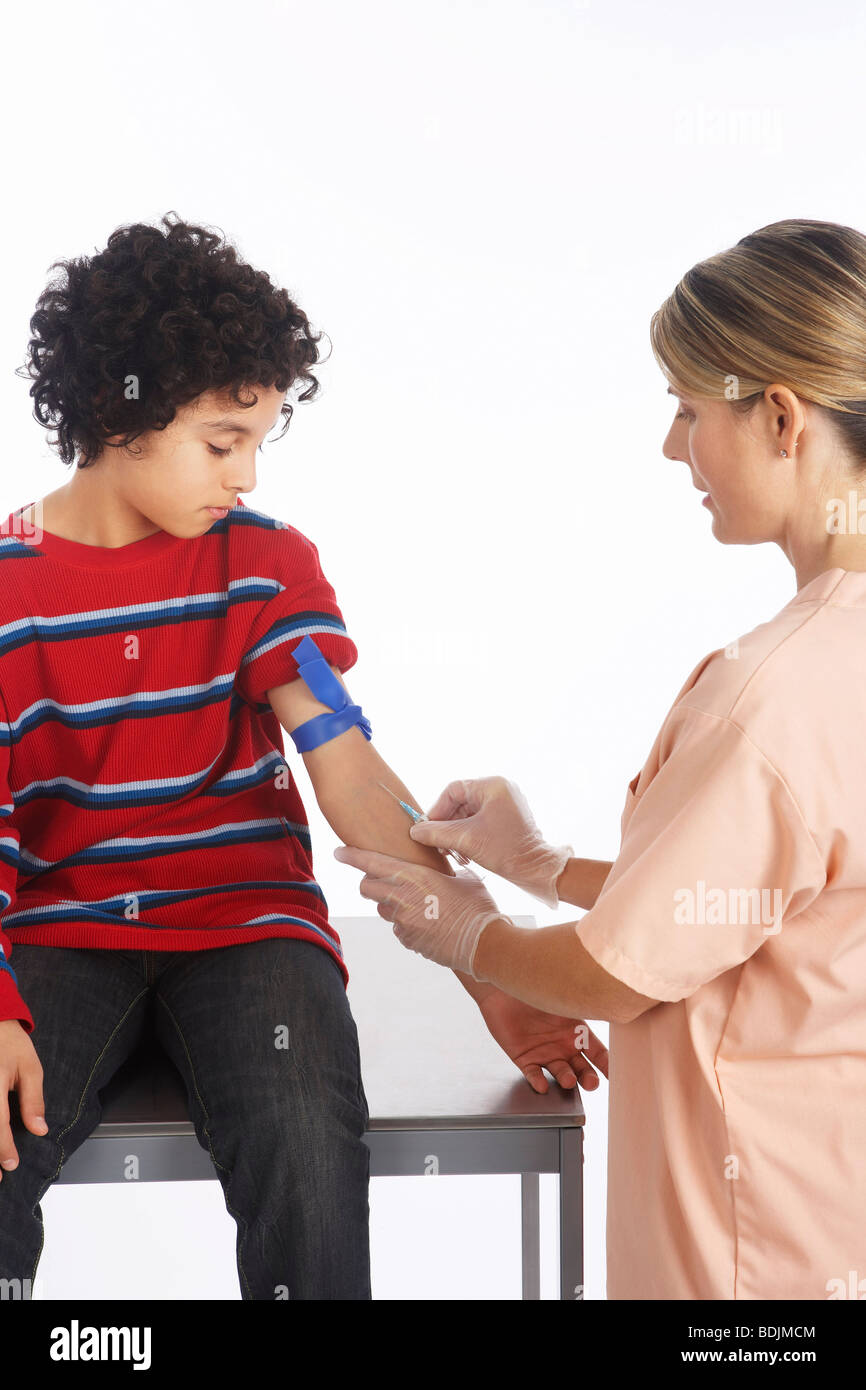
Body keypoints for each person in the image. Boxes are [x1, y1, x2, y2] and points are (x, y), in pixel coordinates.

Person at [0, 212, 609, 1302]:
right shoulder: (10, 588)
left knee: (301, 1141)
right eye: (221, 442)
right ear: (115, 410)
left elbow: (353, 775)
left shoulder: (264, 565)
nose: (243, 475)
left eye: (259, 444)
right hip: (59, 932)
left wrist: (489, 965)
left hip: (246, 925)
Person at [333, 218, 866, 1301]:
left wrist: (467, 935)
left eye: (683, 411)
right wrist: (539, 860)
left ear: (777, 416)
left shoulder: (778, 691)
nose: (671, 449)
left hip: (749, 1262)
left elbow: (619, 968)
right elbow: (742, 911)